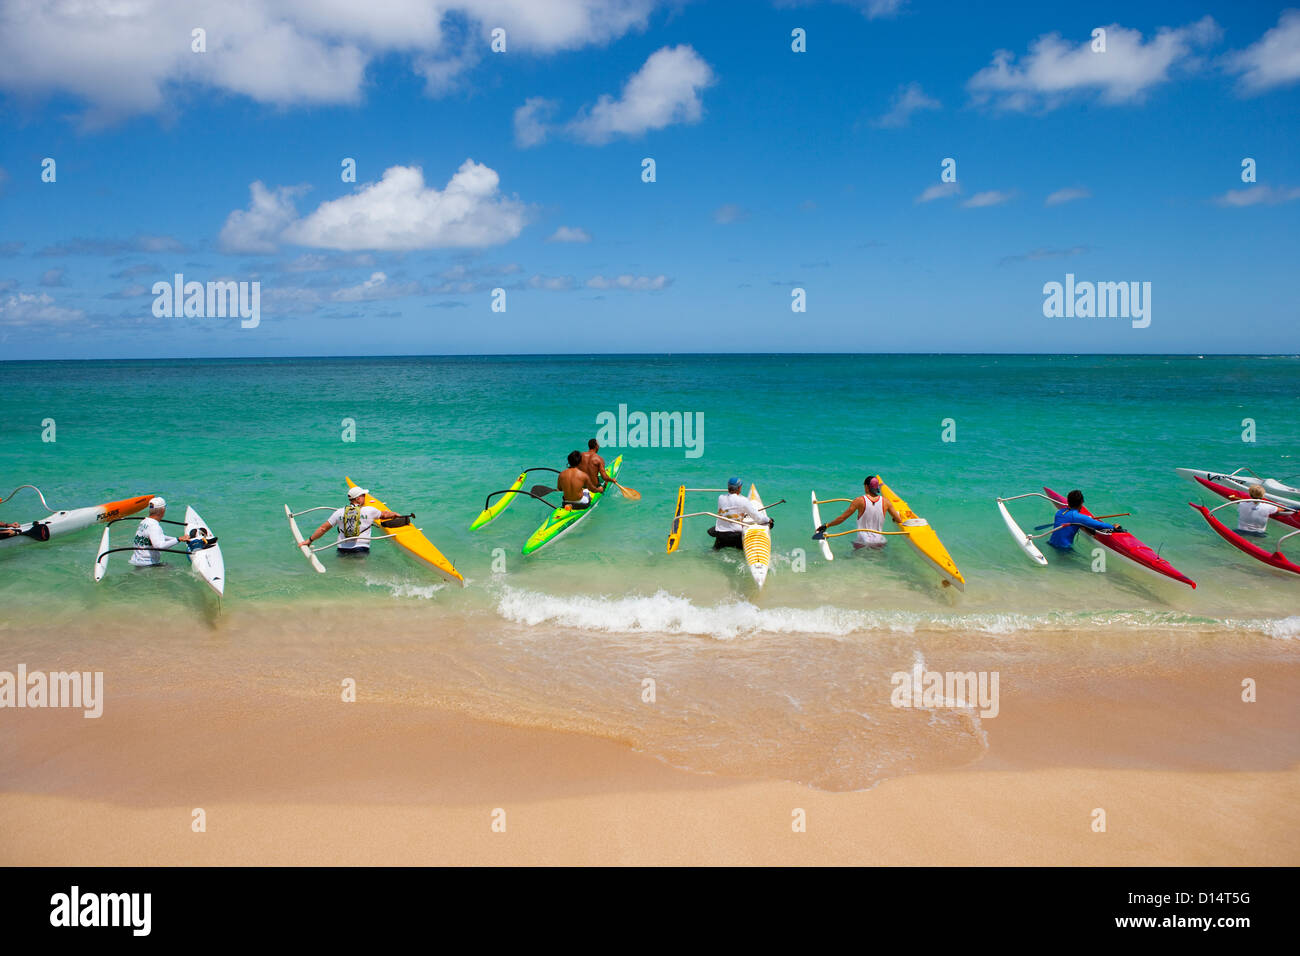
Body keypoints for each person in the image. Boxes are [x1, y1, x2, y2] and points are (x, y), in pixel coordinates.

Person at [300, 486, 400, 556]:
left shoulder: (339, 512)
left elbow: (323, 529)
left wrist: (309, 541)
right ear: (358, 498)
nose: (366, 497)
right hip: (362, 548)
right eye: (364, 495)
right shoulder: (370, 510)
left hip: (342, 549)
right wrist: (394, 514)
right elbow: (384, 515)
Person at [816, 475, 901, 549]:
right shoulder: (886, 502)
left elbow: (842, 518)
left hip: (863, 542)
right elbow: (899, 520)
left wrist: (827, 525)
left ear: (867, 486)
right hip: (880, 542)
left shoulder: (859, 501)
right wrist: (894, 518)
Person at [708, 477, 773, 550]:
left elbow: (731, 507)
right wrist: (768, 520)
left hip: (720, 535)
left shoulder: (720, 498)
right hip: (735, 537)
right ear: (739, 488)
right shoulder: (744, 500)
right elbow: (758, 518)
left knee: (714, 550)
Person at [1047, 489, 1122, 551]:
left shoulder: (1059, 512)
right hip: (1064, 550)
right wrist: (1113, 527)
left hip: (1051, 544)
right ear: (1081, 504)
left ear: (1068, 502)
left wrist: (1084, 522)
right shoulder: (1078, 517)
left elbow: (1070, 520)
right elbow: (1100, 525)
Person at [129, 497, 190, 566]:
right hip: (148, 564)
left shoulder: (144, 522)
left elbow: (155, 537)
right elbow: (159, 546)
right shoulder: (154, 526)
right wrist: (178, 539)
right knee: (172, 567)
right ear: (162, 510)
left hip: (137, 560)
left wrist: (178, 538)